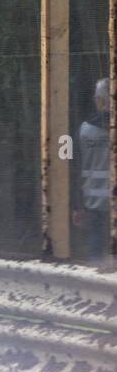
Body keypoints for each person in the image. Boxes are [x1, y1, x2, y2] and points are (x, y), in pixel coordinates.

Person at [73, 77, 111, 262]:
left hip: (92, 201)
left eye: (97, 98)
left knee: (96, 251)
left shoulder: (82, 130)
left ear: (100, 100)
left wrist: (77, 205)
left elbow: (73, 165)